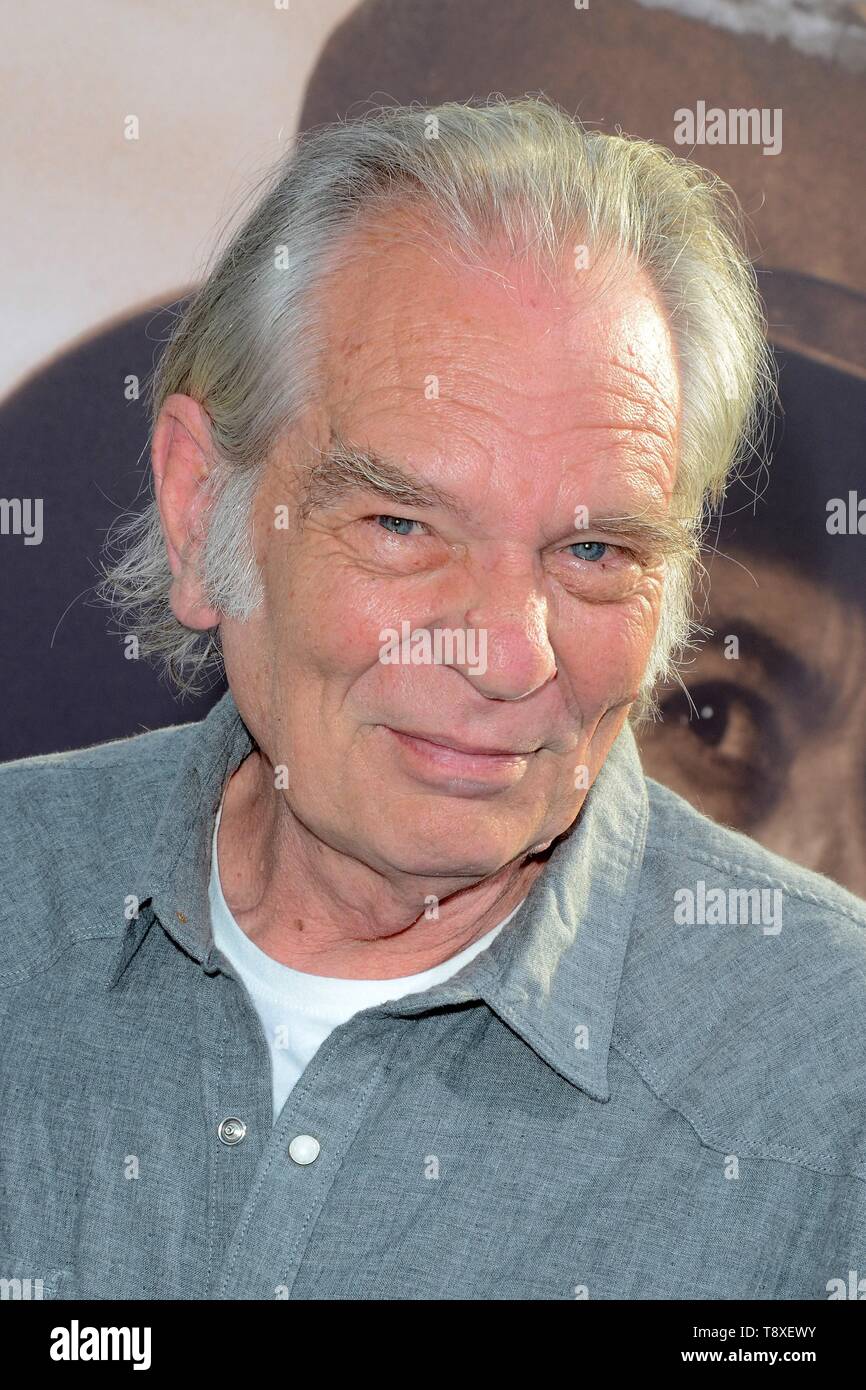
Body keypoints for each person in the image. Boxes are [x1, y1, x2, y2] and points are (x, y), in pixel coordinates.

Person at [1, 97, 863, 1302]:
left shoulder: (833, 1088)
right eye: (402, 524)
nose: (508, 656)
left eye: (596, 552)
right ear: (204, 511)